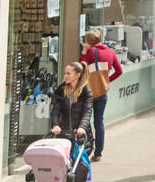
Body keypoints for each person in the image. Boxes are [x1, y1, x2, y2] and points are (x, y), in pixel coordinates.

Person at [80, 29, 123, 163]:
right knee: (99, 122)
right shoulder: (111, 52)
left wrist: (83, 52)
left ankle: (86, 150)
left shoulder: (90, 52)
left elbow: (80, 68)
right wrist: (107, 80)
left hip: (88, 92)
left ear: (89, 42)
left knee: (85, 121)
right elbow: (119, 71)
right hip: (102, 92)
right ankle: (98, 153)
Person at [49, 60, 93, 145]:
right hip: (64, 134)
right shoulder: (61, 90)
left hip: (80, 135)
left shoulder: (86, 92)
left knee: (79, 153)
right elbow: (55, 110)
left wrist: (82, 127)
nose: (65, 76)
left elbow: (87, 112)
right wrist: (55, 125)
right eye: (65, 73)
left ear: (77, 75)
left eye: (68, 74)